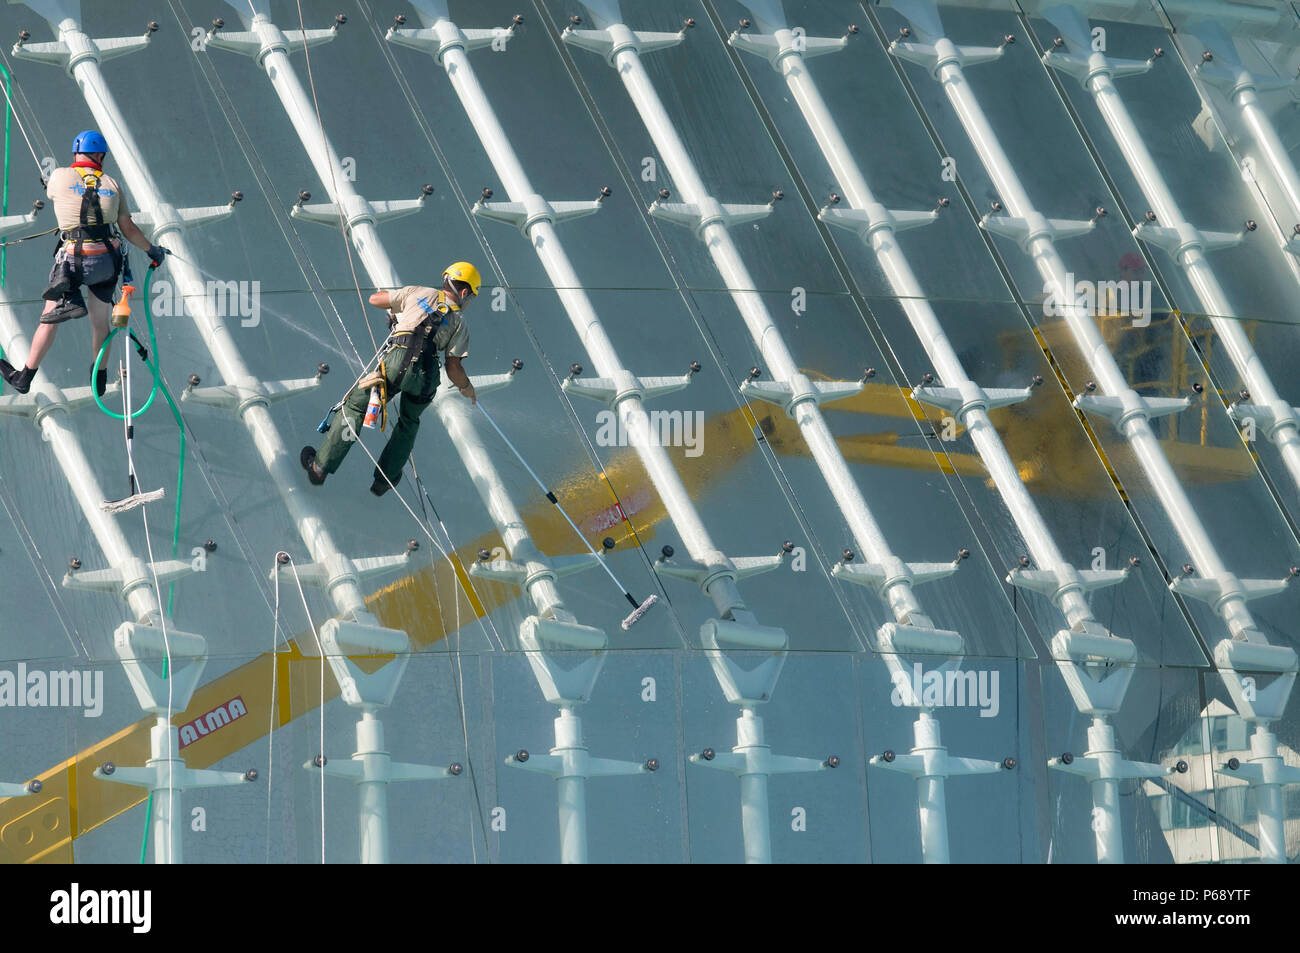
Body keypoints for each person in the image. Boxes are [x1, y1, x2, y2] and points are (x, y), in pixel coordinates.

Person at [0, 131, 167, 396]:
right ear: (100, 156)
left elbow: (51, 187)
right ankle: (99, 378)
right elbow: (127, 227)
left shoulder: (59, 176)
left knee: (49, 319)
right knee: (100, 323)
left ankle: (25, 375)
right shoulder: (113, 183)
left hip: (73, 259)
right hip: (106, 261)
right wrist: (153, 250)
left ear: (76, 154)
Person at [301, 261, 481, 496]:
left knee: (356, 406)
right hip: (427, 375)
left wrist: (401, 311)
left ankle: (320, 466)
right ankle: (384, 480)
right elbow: (453, 366)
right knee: (409, 422)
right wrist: (467, 388)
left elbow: (376, 300)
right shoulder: (460, 323)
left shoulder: (419, 292)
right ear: (464, 292)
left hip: (398, 360)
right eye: (471, 297)